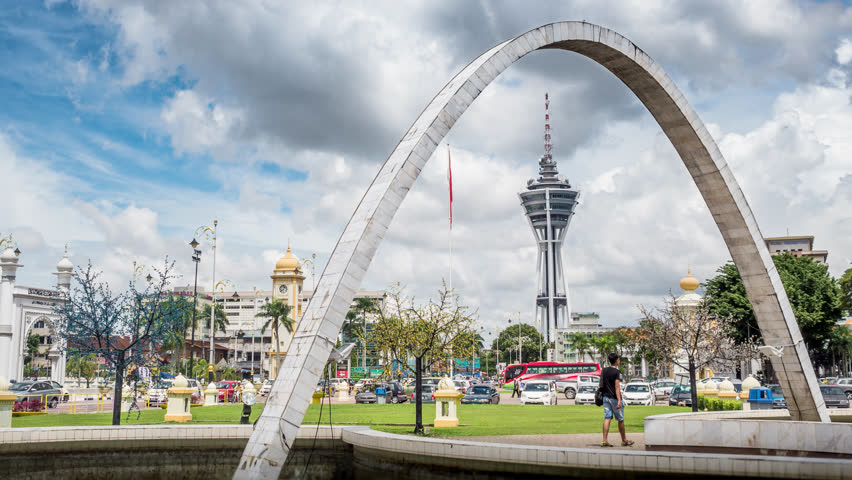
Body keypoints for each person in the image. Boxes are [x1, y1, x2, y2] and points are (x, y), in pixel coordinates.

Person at [600, 352, 633, 447]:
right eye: (618, 359)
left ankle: (604, 441)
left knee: (607, 418)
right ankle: (624, 440)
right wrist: (619, 400)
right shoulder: (617, 372)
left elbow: (601, 384)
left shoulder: (604, 370)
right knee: (620, 419)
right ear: (616, 360)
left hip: (605, 397)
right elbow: (617, 387)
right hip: (614, 398)